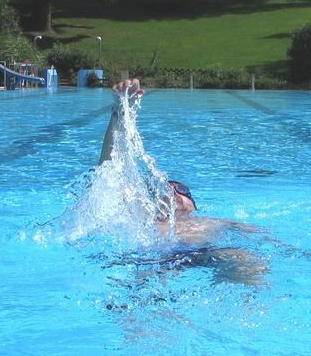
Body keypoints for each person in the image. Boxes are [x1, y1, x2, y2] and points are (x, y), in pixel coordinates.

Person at [98, 78, 268, 285]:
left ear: (193, 205)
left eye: (180, 189)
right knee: (146, 289)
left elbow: (267, 238)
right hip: (150, 258)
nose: (170, 190)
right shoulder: (141, 219)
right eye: (162, 189)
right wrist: (119, 112)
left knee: (245, 260)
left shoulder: (216, 222)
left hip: (203, 253)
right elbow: (109, 170)